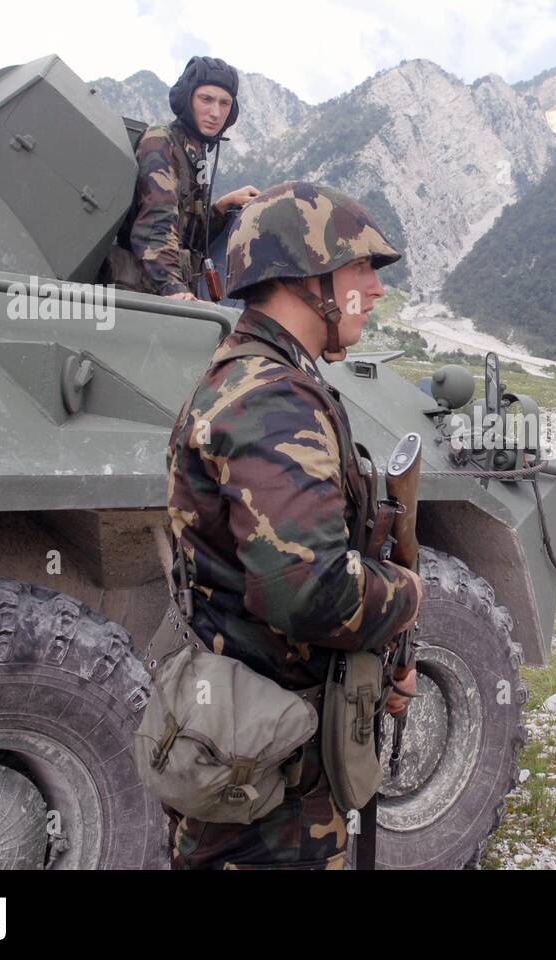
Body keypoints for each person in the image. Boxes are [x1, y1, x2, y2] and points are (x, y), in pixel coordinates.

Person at [163, 180, 422, 869]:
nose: (376, 289)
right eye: (362, 267)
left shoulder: (257, 377)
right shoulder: (274, 398)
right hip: (271, 785)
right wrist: (409, 597)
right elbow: (311, 595)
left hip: (262, 745)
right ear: (308, 277)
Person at [107, 56, 259, 299]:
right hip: (140, 293)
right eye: (206, 99)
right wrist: (173, 289)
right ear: (186, 99)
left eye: (225, 103)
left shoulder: (193, 153)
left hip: (160, 290)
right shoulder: (161, 142)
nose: (215, 112)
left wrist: (221, 207)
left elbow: (189, 237)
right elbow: (155, 229)